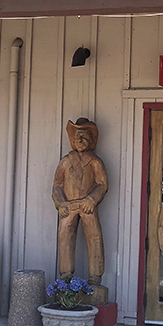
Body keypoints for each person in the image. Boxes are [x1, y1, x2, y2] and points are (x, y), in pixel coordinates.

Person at [52, 118, 108, 285]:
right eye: (77, 137)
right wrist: (60, 203)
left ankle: (95, 277)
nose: (80, 141)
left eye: (83, 137)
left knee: (94, 237)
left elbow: (102, 184)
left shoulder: (95, 161)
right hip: (68, 207)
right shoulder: (66, 161)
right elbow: (57, 184)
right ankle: (66, 274)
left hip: (87, 206)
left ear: (90, 141)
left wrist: (92, 199)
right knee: (65, 236)